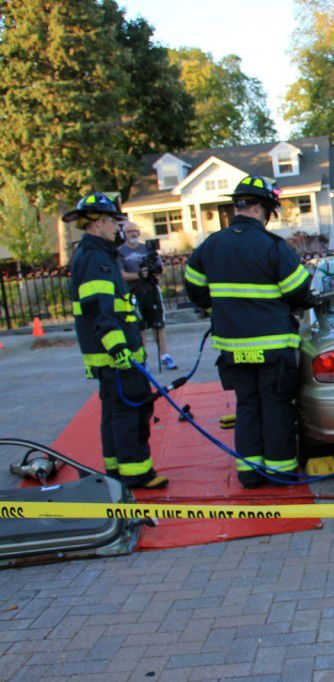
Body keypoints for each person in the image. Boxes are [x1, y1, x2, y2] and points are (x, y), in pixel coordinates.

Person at [184, 175, 314, 489]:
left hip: (232, 348)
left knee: (247, 405)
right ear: (261, 208)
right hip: (273, 347)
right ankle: (280, 471)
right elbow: (298, 291)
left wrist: (221, 310)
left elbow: (194, 287)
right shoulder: (272, 247)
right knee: (276, 405)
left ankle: (249, 473)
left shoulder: (211, 246)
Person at [64, 193, 167, 489]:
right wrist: (119, 348)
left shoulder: (95, 255)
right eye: (113, 222)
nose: (117, 228)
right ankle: (136, 473)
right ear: (97, 224)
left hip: (108, 356)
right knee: (131, 411)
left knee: (114, 411)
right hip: (117, 356)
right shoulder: (97, 259)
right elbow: (98, 309)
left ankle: (116, 468)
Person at [117, 223, 177, 370]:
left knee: (159, 325)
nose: (133, 234)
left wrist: (156, 271)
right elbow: (120, 274)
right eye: (129, 231)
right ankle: (143, 358)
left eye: (135, 231)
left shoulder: (147, 249)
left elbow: (159, 268)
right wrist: (138, 275)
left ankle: (165, 356)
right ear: (124, 234)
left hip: (151, 289)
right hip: (133, 292)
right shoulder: (120, 252)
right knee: (140, 326)